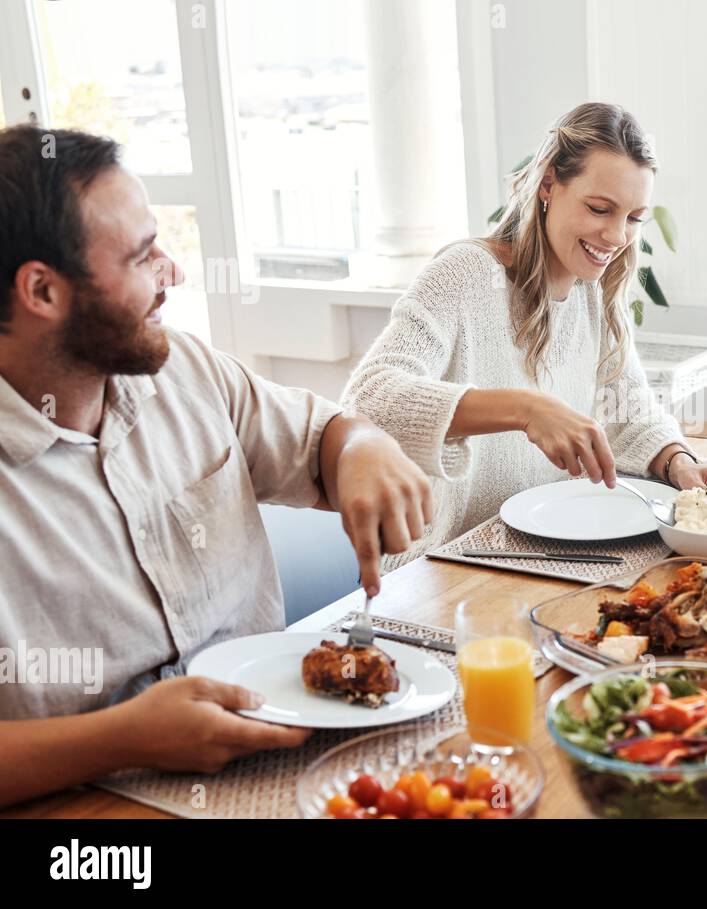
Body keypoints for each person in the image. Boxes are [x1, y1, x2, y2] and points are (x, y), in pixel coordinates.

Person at [0, 126, 434, 807]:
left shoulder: (183, 369)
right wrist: (119, 738)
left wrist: (361, 448)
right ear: (43, 292)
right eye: (143, 257)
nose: (171, 272)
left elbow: (325, 435)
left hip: (286, 769)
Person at [343, 102, 707, 564]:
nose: (616, 237)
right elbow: (367, 401)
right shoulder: (464, 275)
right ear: (548, 184)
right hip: (447, 565)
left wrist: (681, 463)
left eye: (633, 218)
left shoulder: (595, 293)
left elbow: (630, 411)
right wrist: (527, 409)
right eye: (599, 209)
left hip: (541, 556)